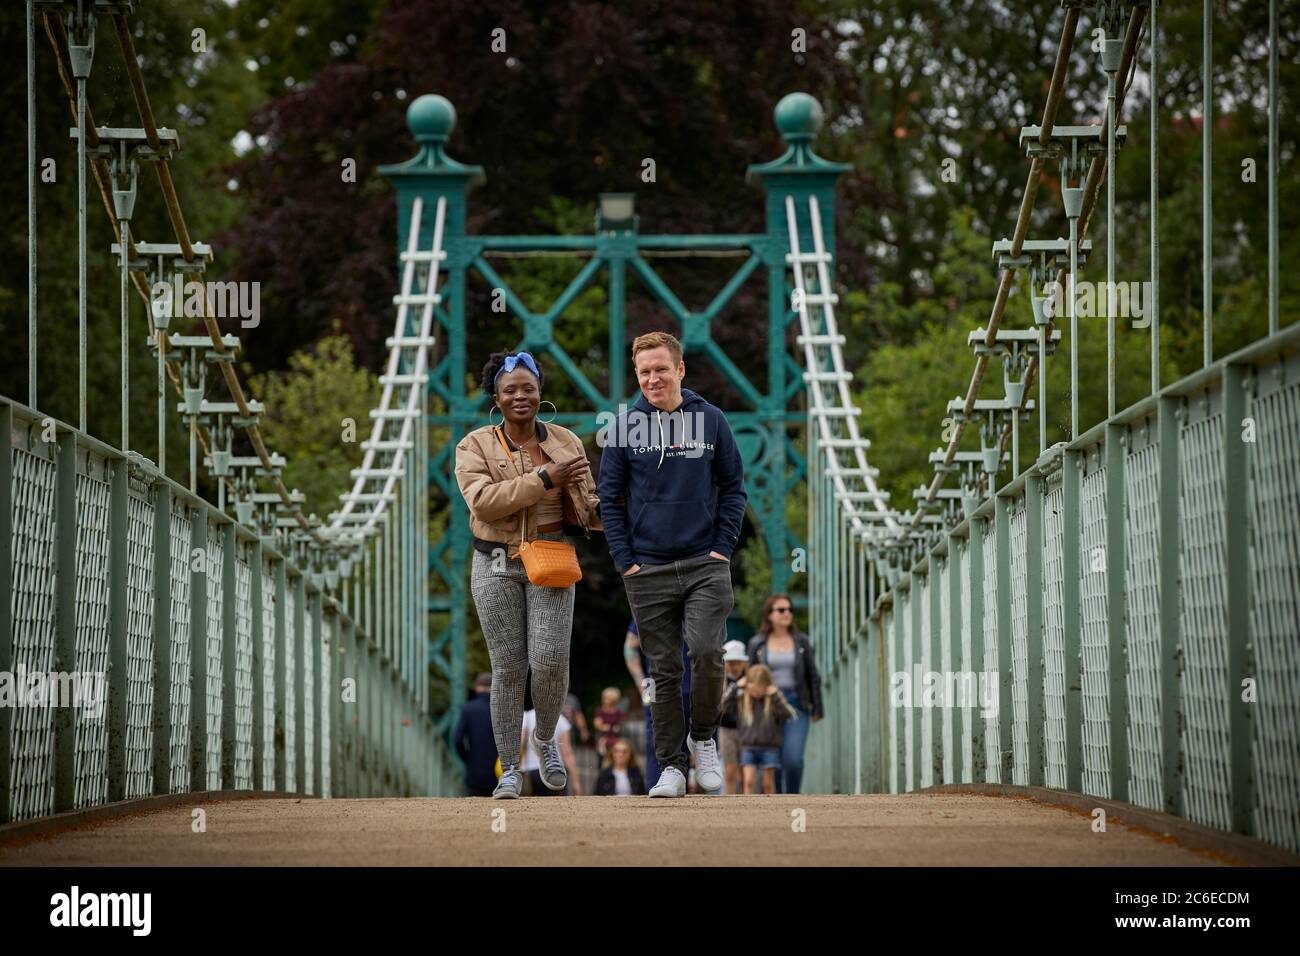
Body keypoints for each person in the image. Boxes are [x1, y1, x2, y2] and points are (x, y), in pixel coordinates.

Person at [599, 331, 747, 798]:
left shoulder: (712, 421)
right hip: (648, 569)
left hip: (705, 562)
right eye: (644, 371)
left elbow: (734, 487)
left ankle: (703, 738)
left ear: (680, 369)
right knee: (661, 671)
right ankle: (671, 766)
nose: (652, 378)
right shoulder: (624, 427)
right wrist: (627, 562)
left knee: (706, 652)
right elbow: (608, 499)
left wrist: (722, 548)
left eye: (661, 368)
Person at [455, 350, 601, 800]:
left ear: (541, 393)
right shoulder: (473, 445)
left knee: (551, 659)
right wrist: (545, 478)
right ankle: (510, 771)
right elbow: (484, 503)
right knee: (509, 667)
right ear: (496, 399)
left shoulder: (566, 441)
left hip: (552, 557)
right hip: (495, 561)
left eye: (529, 388)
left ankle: (545, 740)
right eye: (510, 390)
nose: (521, 396)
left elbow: (588, 504)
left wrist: (622, 507)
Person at [747, 593, 823, 794]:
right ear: (769, 615)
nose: (787, 613)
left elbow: (812, 674)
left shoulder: (801, 642)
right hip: (767, 706)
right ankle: (778, 802)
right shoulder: (757, 644)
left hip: (796, 703)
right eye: (781, 610)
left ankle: (792, 798)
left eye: (790, 609)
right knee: (774, 759)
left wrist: (817, 707)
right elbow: (751, 677)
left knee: (793, 758)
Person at [721, 664, 797, 795]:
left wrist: (776, 696)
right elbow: (724, 706)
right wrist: (736, 687)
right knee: (748, 781)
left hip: (769, 748)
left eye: (758, 689)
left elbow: (788, 715)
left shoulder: (772, 701)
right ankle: (747, 810)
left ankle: (771, 810)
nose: (755, 693)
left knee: (767, 784)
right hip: (748, 747)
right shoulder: (742, 700)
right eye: (752, 688)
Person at [453, 673, 499, 797]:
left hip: (475, 771)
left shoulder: (469, 709)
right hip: (499, 771)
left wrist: (467, 758)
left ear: (477, 687)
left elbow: (457, 739)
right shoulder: (501, 708)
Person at [520, 708, 581, 795]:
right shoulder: (561, 719)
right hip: (555, 770)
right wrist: (576, 782)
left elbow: (520, 746)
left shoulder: (527, 717)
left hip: (531, 770)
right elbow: (567, 753)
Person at [718, 641, 749, 795]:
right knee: (730, 772)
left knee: (746, 773)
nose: (734, 666)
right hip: (726, 729)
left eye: (737, 662)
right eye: (730, 662)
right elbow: (720, 705)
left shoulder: (749, 681)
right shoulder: (722, 682)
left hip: (746, 730)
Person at [593, 687, 626, 761]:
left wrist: (617, 728)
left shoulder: (619, 712)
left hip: (614, 737)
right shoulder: (600, 711)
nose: (605, 700)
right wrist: (603, 727)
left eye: (608, 698)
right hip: (603, 737)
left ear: (614, 700)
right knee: (602, 755)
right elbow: (597, 724)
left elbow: (620, 725)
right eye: (605, 698)